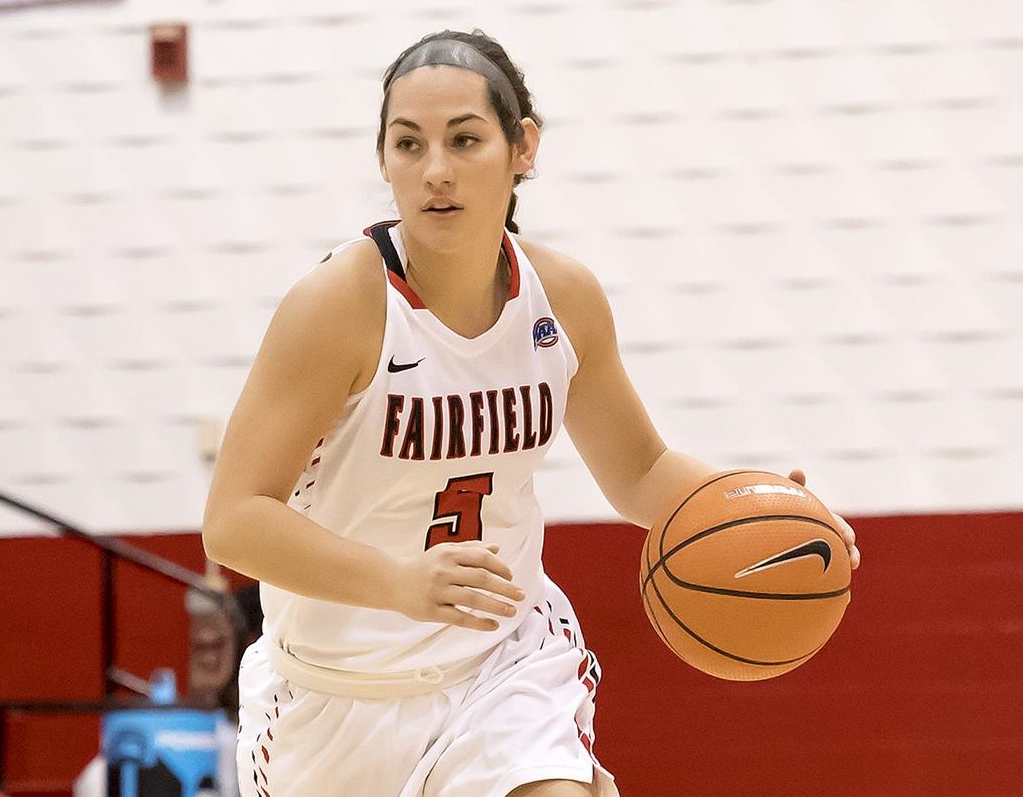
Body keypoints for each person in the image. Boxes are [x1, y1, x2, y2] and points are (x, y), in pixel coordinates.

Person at [201, 29, 862, 797]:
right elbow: (235, 520)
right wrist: (397, 583)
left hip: (500, 672)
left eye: (465, 139)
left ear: (523, 148)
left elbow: (641, 470)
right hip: (333, 698)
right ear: (383, 159)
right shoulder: (339, 306)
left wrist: (769, 507)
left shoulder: (563, 298)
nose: (435, 171)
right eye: (408, 144)